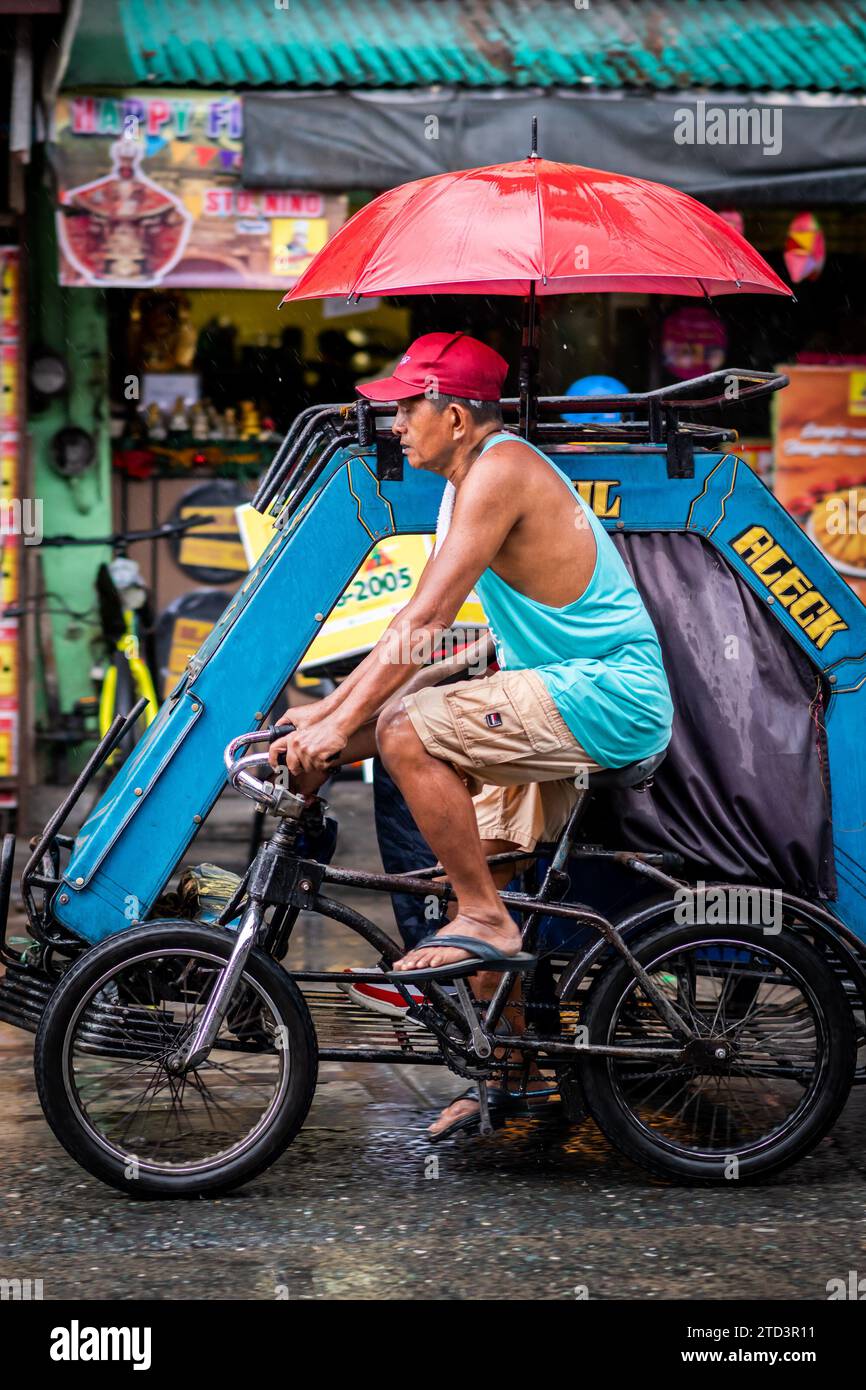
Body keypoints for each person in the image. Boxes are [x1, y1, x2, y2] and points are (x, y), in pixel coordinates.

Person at [268, 330, 674, 1136]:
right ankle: (515, 1073)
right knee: (472, 859)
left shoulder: (502, 470)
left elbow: (423, 618)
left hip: (610, 696)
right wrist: (324, 721)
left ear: (454, 416)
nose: (395, 424)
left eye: (407, 407)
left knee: (408, 735)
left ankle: (484, 917)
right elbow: (425, 644)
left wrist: (354, 717)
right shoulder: (466, 481)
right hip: (563, 692)